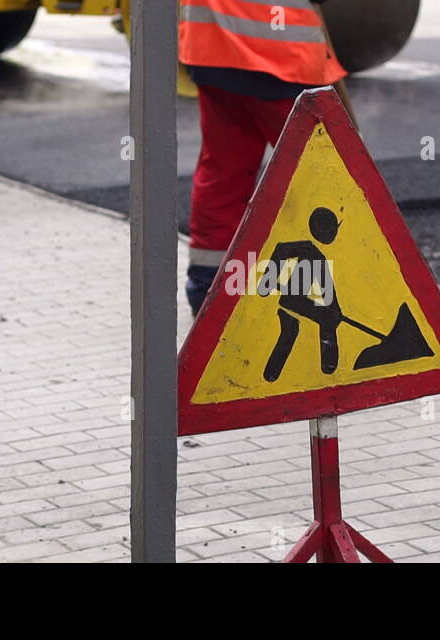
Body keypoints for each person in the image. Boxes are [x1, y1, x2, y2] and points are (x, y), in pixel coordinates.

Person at [178, 0, 348, 316]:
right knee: (317, 178)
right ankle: (317, 288)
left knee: (223, 171)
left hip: (212, 48)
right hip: (280, 57)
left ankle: (211, 288)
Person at [259, 207, 342, 382]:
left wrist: (336, 310)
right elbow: (281, 250)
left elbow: (327, 289)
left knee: (307, 326)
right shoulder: (306, 249)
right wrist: (268, 280)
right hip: (292, 298)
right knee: (324, 320)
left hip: (296, 299)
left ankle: (272, 376)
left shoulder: (318, 256)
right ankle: (328, 367)